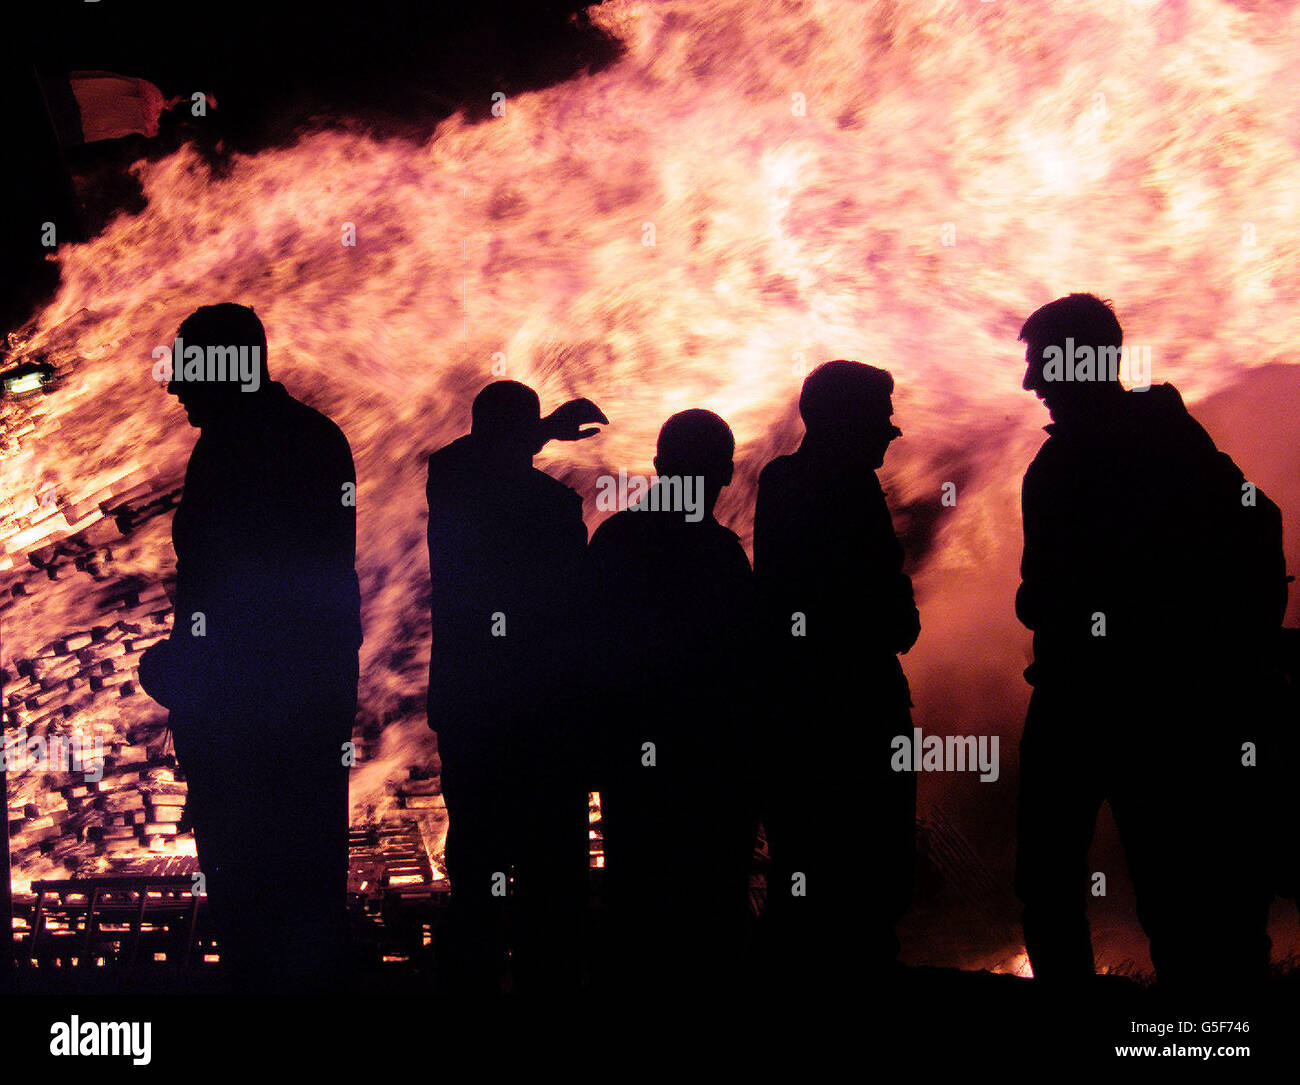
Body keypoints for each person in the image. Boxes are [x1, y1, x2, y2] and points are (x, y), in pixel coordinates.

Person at [1013, 292, 1286, 991]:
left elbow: (1252, 534)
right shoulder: (1143, 443)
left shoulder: (1152, 445)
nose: (1030, 382)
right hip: (1100, 696)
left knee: (1148, 877)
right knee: (1087, 874)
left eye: (1041, 362)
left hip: (1135, 704)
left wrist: (1227, 656)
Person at [139, 303, 362, 994]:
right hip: (292, 718)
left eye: (187, 370)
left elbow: (248, 597)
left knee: (262, 917)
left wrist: (189, 676)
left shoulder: (251, 450)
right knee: (292, 910)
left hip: (256, 732)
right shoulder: (303, 438)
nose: (176, 388)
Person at [426, 380, 606, 993]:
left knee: (476, 866)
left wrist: (540, 429)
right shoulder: (553, 506)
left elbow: (459, 460)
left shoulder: (453, 488)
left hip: (474, 710)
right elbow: (576, 615)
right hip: (545, 719)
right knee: (550, 874)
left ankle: (468, 980)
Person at [753, 361, 919, 986]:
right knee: (859, 868)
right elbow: (866, 602)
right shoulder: (830, 487)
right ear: (841, 419)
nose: (891, 431)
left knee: (821, 870)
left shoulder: (800, 482)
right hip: (844, 713)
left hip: (814, 709)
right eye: (880, 415)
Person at [589, 409, 758, 993]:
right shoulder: (721, 557)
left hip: (635, 757)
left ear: (658, 464)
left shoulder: (613, 540)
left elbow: (591, 651)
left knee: (638, 889)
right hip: (711, 761)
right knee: (710, 903)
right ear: (727, 473)